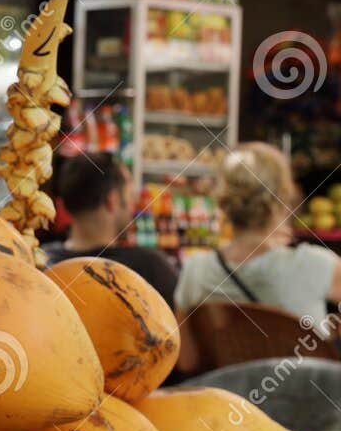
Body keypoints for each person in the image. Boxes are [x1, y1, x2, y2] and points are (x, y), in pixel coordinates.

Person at [175, 142, 341, 337]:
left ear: (222, 201)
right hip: (300, 368)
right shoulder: (317, 265)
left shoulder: (195, 272)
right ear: (284, 197)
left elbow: (187, 361)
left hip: (228, 368)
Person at [44, 151, 178, 302]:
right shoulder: (150, 268)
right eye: (129, 195)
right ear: (112, 200)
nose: (133, 205)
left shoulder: (41, 263)